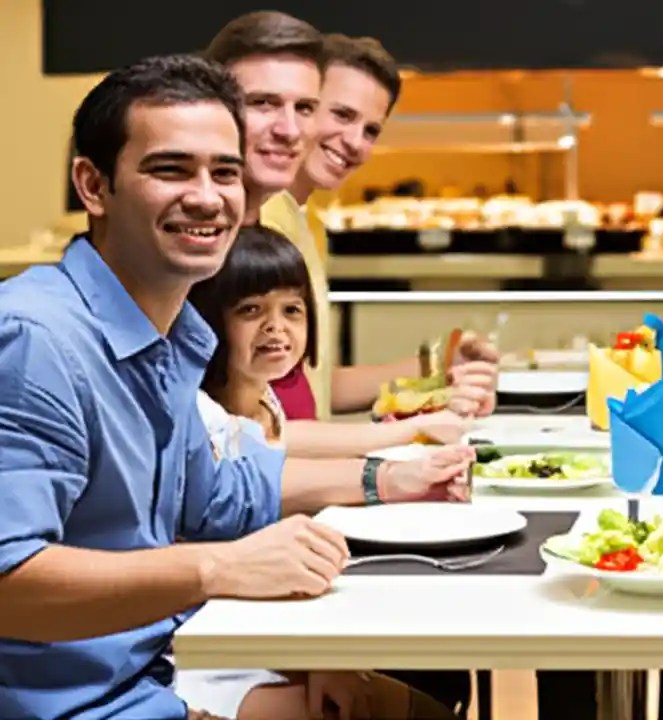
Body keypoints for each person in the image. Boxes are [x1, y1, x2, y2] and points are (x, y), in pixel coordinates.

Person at [0, 53, 342, 720]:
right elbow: (8, 581)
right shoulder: (36, 339)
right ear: (93, 186)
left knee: (394, 700)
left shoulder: (169, 332)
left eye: (225, 173)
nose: (208, 196)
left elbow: (215, 500)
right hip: (75, 707)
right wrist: (219, 568)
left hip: (152, 680)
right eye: (170, 169)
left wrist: (385, 479)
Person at [178, 225, 471, 719]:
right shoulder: (204, 417)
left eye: (291, 310)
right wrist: (312, 663)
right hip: (213, 646)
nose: (276, 328)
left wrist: (413, 440)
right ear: (210, 321)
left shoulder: (262, 403)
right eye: (251, 311)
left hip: (267, 624)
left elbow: (298, 441)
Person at [258, 32, 498, 428]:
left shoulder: (309, 220)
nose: (354, 141)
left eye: (371, 130)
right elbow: (264, 419)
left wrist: (438, 367)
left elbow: (310, 385)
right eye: (341, 115)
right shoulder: (261, 219)